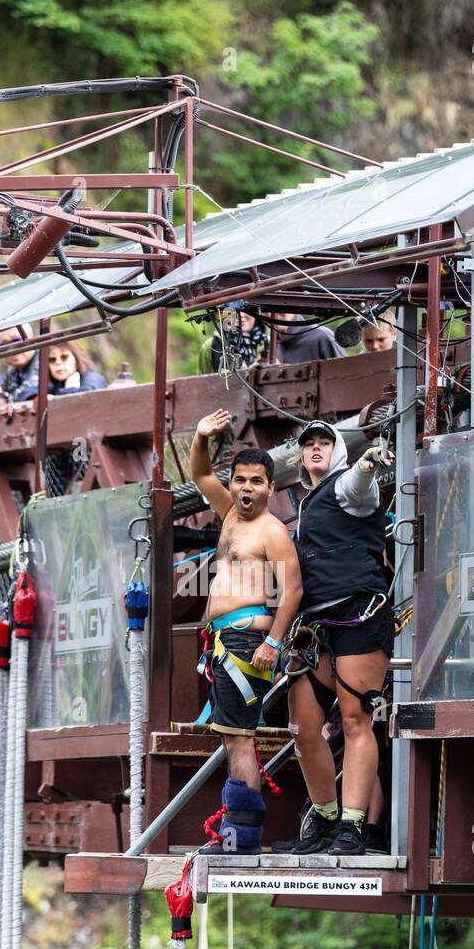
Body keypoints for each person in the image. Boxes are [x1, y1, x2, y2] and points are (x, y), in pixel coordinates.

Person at [190, 408, 302, 855]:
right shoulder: (230, 515)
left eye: (257, 482)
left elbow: (292, 590)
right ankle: (239, 834)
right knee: (232, 736)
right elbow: (199, 473)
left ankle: (241, 840)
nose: (247, 489)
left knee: (240, 740)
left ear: (271, 488)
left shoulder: (272, 532)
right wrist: (201, 436)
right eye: (240, 480)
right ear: (232, 482)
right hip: (223, 642)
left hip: (247, 643)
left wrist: (274, 642)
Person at [282, 419, 395, 856]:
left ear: (338, 451)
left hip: (358, 615)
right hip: (315, 625)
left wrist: (367, 464)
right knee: (304, 727)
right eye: (308, 443)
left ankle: (353, 827)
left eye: (324, 442)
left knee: (354, 719)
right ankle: (326, 817)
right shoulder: (306, 504)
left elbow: (359, 485)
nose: (315, 448)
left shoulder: (347, 488)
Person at [199, 302, 268, 373]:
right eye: (233, 310)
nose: (241, 315)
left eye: (247, 309)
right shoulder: (211, 347)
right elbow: (204, 382)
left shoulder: (268, 342)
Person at [0, 325, 40, 402]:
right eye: (6, 345)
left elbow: (27, 393)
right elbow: (2, 390)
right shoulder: (12, 370)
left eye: (18, 341)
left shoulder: (42, 360)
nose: (13, 350)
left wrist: (4, 399)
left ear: (32, 339)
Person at [273, 313, 345, 364]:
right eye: (265, 310)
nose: (271, 314)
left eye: (280, 309)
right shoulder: (273, 346)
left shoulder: (324, 337)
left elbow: (345, 379)